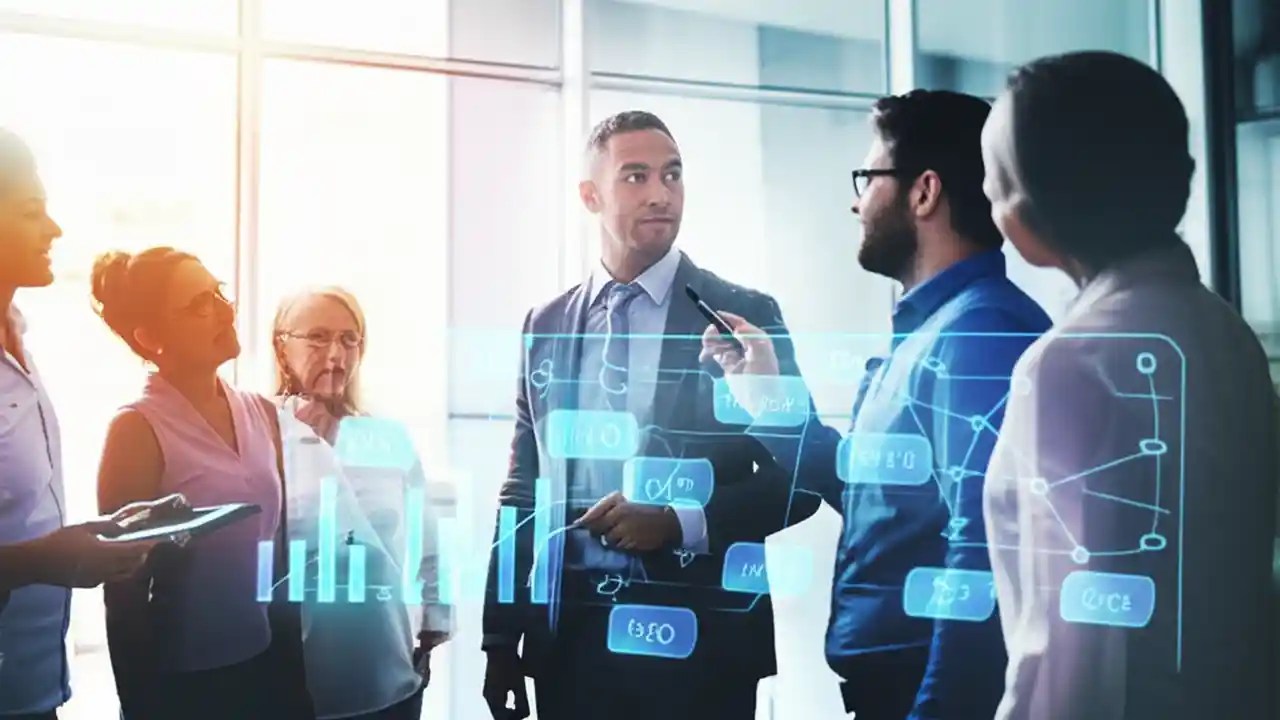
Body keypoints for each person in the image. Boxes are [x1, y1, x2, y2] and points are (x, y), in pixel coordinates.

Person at [702, 90, 1051, 719]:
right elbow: (862, 488)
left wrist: (938, 709)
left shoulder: (981, 336)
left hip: (921, 685)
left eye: (867, 177)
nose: (855, 200)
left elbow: (982, 553)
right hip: (892, 683)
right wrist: (770, 398)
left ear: (924, 192)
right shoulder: (928, 332)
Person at [482, 110, 817, 720]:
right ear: (590, 195)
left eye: (672, 175)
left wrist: (677, 521)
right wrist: (500, 637)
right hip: (572, 649)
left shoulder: (742, 312)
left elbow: (799, 482)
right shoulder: (547, 324)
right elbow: (521, 490)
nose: (660, 194)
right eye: (635, 177)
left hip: (703, 651)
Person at [979, 50, 1278, 719]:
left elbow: (1068, 644)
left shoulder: (1068, 364)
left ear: (1035, 210)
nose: (990, 199)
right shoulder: (1225, 334)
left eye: (997, 182)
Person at [93, 247, 313, 719]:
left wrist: (295, 686)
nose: (224, 309)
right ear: (151, 337)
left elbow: (278, 561)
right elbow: (124, 594)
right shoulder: (137, 430)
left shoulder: (261, 413)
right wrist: (141, 708)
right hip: (184, 689)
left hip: (264, 670)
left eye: (219, 293)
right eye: (199, 303)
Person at [0, 127, 167, 719]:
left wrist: (86, 537)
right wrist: (45, 559)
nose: (55, 230)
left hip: (32, 684)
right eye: (30, 213)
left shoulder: (19, 337)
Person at [271, 286, 451, 720]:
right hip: (288, 675)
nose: (336, 353)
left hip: (388, 668)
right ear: (282, 346)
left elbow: (427, 542)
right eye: (317, 337)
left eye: (350, 340)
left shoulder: (386, 438)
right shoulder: (260, 428)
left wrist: (431, 631)